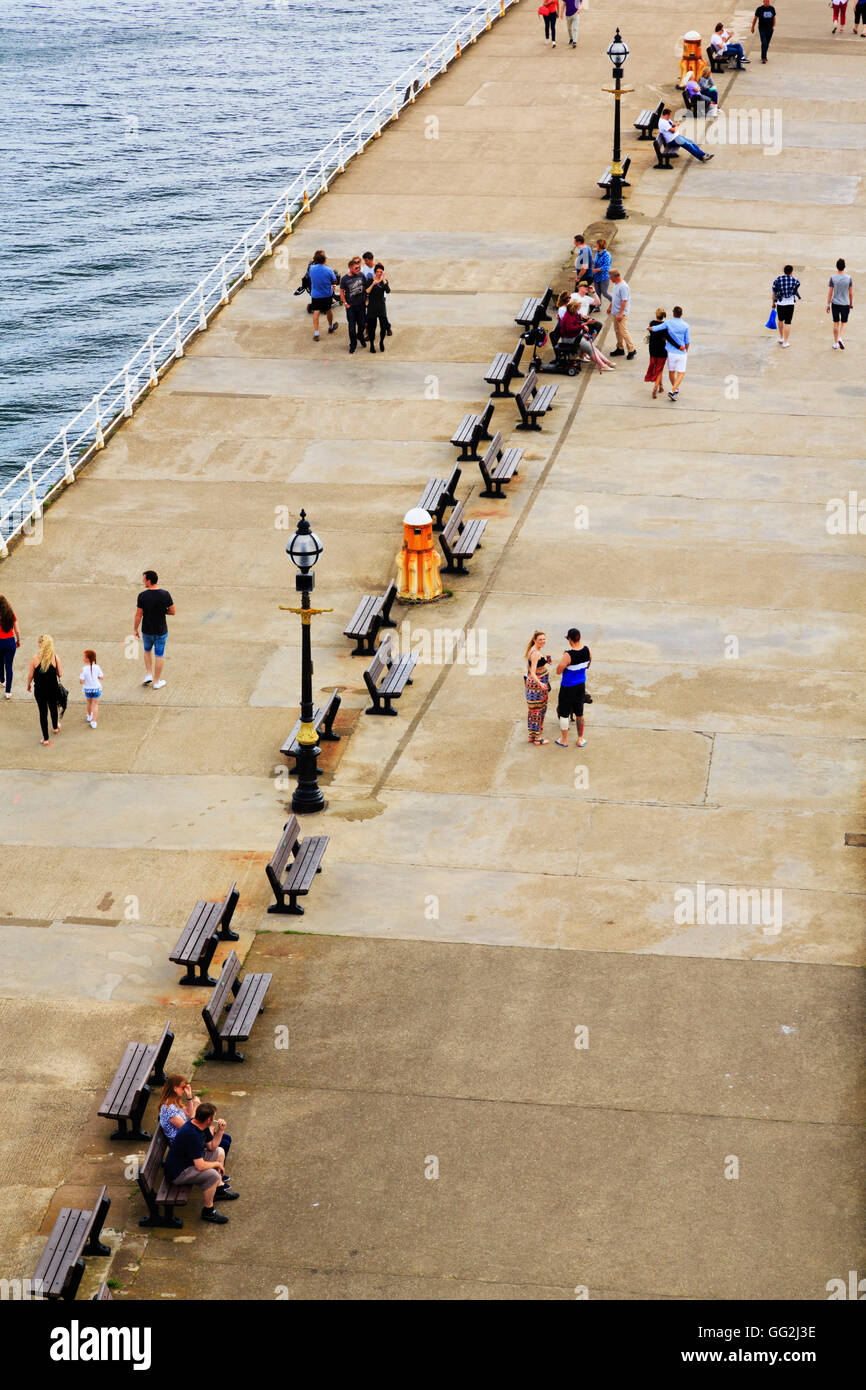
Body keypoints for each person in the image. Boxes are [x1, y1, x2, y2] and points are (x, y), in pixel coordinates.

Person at [163, 1102, 238, 1224]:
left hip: (189, 1162)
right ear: (208, 1120)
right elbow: (200, 1165)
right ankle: (208, 1211)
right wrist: (217, 1165)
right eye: (214, 1117)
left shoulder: (200, 1126)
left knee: (220, 1152)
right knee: (212, 1175)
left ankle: (218, 1191)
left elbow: (212, 1146)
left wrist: (221, 1130)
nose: (215, 1119)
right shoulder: (193, 1135)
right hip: (178, 1172)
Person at [158, 1077, 236, 1192]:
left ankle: (218, 1174)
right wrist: (207, 1127)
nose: (185, 1089)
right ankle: (216, 1175)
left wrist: (189, 1096)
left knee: (226, 1138)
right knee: (222, 1142)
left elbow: (190, 1114)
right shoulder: (168, 1109)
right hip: (183, 1144)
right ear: (175, 1088)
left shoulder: (174, 1102)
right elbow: (190, 1125)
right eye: (183, 1087)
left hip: (188, 1139)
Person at [134, 570, 175, 689]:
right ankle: (157, 682)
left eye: (144, 579)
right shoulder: (165, 594)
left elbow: (138, 614)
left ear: (149, 580)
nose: (143, 581)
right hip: (161, 630)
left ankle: (148, 674)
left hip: (147, 629)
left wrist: (135, 629)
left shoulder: (142, 596)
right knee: (159, 654)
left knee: (147, 651)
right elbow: (173, 611)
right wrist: (163, 611)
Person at [555, 628, 591, 748]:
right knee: (579, 713)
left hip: (568, 687)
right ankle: (580, 739)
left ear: (570, 639)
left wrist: (565, 657)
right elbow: (588, 665)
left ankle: (564, 740)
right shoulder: (587, 650)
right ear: (579, 637)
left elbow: (558, 671)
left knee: (564, 713)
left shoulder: (568, 655)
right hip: (581, 685)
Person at [26, 633, 63, 746]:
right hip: (53, 688)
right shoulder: (55, 658)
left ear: (41, 645)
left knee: (43, 712)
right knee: (53, 707)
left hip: (40, 690)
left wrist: (28, 685)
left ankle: (46, 739)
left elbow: (30, 675)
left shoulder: (34, 658)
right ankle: (55, 727)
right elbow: (60, 674)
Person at [560, 299, 616, 372]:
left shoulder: (573, 314)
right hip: (569, 338)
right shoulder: (568, 317)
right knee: (590, 348)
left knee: (593, 347)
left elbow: (577, 324)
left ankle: (607, 362)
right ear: (574, 309)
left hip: (575, 336)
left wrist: (583, 329)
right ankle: (603, 365)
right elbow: (570, 329)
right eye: (578, 309)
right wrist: (585, 324)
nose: (578, 311)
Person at [524, 630, 551, 745]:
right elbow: (533, 672)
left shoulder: (533, 650)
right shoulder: (535, 653)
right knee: (538, 710)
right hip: (537, 687)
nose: (542, 641)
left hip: (534, 685)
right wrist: (540, 683)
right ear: (535, 640)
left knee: (533, 710)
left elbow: (528, 667)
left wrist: (545, 661)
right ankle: (538, 738)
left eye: (544, 639)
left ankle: (532, 735)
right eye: (540, 639)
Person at [308, 250, 339, 341]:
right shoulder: (328, 269)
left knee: (316, 312)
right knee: (328, 309)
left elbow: (311, 277)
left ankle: (316, 333)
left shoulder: (312, 268)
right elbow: (334, 280)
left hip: (315, 294)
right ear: (324, 260)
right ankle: (330, 326)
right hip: (326, 294)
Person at [339, 256, 369, 353]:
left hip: (361, 306)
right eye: (356, 268)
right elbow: (341, 292)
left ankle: (360, 336)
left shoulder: (361, 275)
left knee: (361, 325)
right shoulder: (344, 279)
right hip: (351, 307)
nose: (358, 269)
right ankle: (353, 344)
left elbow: (365, 288)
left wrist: (366, 300)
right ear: (350, 268)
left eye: (359, 267)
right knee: (351, 329)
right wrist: (346, 303)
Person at [607, 271, 636, 359]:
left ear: (615, 277)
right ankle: (620, 348)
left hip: (621, 313)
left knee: (623, 331)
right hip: (615, 312)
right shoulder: (616, 284)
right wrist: (610, 306)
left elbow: (624, 301)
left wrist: (620, 314)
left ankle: (631, 349)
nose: (610, 279)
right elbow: (614, 297)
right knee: (617, 331)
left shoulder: (623, 287)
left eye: (610, 277)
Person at [771, 265, 801, 347]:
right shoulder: (794, 280)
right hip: (790, 304)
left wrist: (773, 303)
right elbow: (795, 290)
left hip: (780, 303)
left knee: (780, 320)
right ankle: (785, 342)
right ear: (791, 272)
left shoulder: (778, 280)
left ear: (783, 271)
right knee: (788, 322)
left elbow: (774, 293)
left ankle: (781, 338)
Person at [665, 306, 691, 400]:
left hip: (670, 352)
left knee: (671, 372)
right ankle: (672, 391)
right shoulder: (686, 326)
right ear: (681, 314)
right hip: (681, 352)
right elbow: (687, 341)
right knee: (681, 373)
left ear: (673, 313)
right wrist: (686, 351)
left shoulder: (668, 323)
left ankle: (675, 389)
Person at [827, 258, 853, 348]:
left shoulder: (833, 278)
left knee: (835, 323)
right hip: (845, 303)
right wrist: (851, 303)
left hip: (835, 303)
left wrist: (828, 305)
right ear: (844, 266)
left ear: (836, 267)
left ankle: (835, 343)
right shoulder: (849, 278)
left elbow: (830, 292)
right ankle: (840, 338)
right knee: (844, 322)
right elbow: (850, 293)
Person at [365, 263, 391, 353]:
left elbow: (388, 291)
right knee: (372, 328)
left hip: (381, 307)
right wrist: (373, 284)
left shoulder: (384, 281)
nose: (379, 273)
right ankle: (372, 344)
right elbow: (367, 291)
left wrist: (383, 279)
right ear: (375, 272)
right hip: (372, 307)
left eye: (381, 272)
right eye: (378, 272)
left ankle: (381, 342)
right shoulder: (369, 280)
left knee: (383, 327)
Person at [645, 308, 669, 398]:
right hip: (662, 349)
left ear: (656, 315)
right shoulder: (665, 325)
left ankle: (661, 386)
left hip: (653, 349)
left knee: (656, 367)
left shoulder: (652, 323)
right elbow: (666, 338)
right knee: (660, 369)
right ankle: (655, 387)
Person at [0, 594, 20, 700]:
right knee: (9, 666)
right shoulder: (10, 614)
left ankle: (2, 680)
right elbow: (16, 630)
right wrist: (18, 640)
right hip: (10, 642)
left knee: (0, 662)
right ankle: (8, 692)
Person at [79, 648, 104, 729]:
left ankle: (89, 716)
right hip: (96, 688)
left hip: (87, 689)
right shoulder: (97, 667)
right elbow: (101, 677)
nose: (83, 658)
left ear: (87, 659)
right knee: (95, 704)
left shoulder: (84, 669)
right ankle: (94, 721)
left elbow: (81, 681)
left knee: (89, 703)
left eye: (84, 657)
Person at [593, 238, 612, 304]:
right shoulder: (597, 253)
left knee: (604, 292)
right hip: (596, 276)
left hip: (604, 277)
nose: (595, 245)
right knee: (597, 292)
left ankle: (613, 301)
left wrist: (595, 270)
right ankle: (598, 306)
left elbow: (606, 267)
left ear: (600, 245)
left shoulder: (607, 255)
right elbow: (596, 262)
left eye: (597, 244)